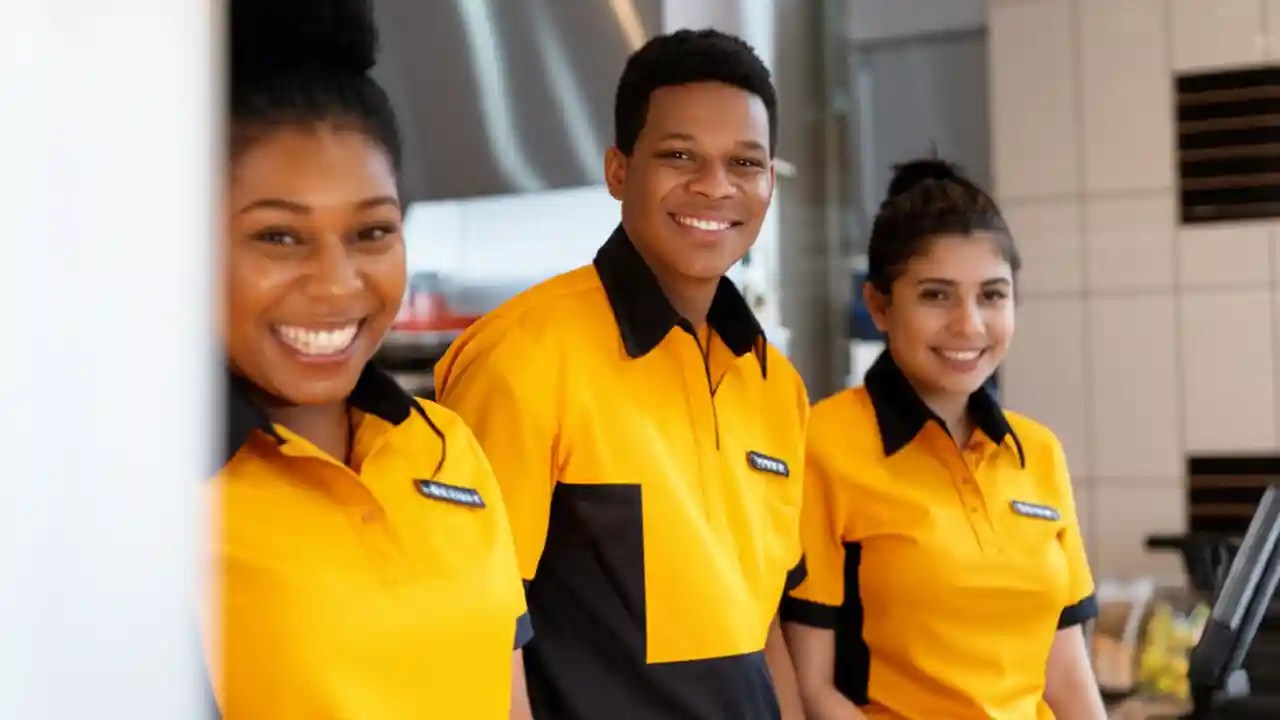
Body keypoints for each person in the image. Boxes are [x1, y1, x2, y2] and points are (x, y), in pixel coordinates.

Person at [434, 28, 808, 720]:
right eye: (679, 156)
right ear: (618, 171)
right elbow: (478, 625)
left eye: (745, 162)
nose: (715, 185)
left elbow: (762, 633)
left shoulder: (775, 385)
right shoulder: (523, 354)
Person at [204, 1, 532, 717]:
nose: (336, 283)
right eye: (280, 238)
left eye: (372, 231)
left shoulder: (449, 451)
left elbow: (510, 704)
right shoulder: (141, 504)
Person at [782, 159, 1107, 720]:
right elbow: (813, 690)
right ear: (879, 306)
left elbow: (1067, 680)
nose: (969, 325)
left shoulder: (1039, 453)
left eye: (992, 296)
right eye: (936, 296)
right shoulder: (824, 444)